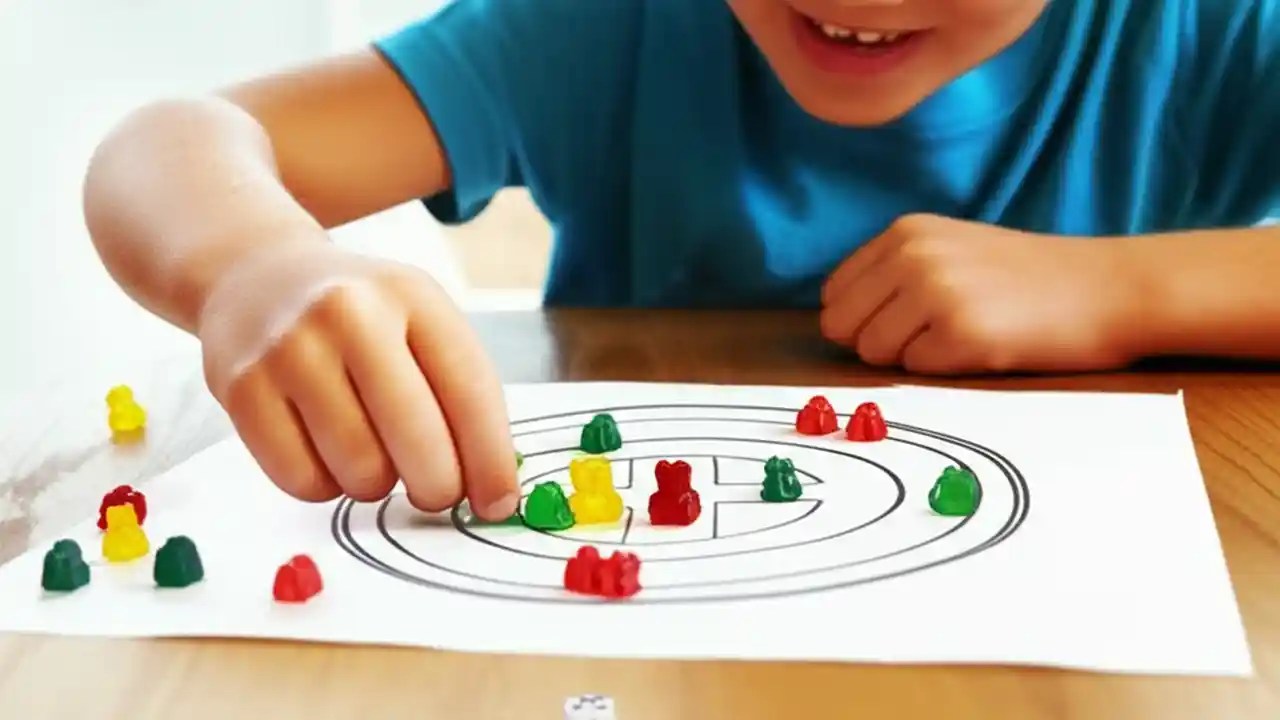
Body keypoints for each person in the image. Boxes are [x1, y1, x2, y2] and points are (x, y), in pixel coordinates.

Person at [82, 0, 1280, 516]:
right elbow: (164, 147)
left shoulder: (1203, 31)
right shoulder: (603, 24)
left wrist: (1125, 289)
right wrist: (250, 262)